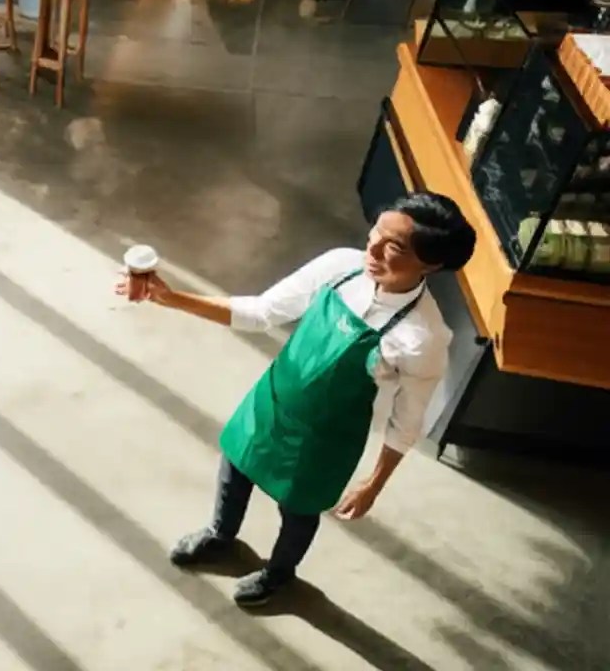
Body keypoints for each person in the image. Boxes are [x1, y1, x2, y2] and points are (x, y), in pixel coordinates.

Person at [119, 192, 475, 606]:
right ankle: (220, 535)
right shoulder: (341, 266)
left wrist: (373, 484)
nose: (372, 249)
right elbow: (261, 312)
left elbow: (406, 421)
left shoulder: (422, 338)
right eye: (375, 233)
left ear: (430, 264)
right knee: (235, 467)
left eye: (393, 247)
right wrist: (171, 298)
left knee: (298, 511)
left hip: (324, 440)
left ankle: (279, 572)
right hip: (271, 402)